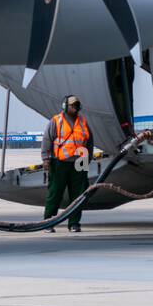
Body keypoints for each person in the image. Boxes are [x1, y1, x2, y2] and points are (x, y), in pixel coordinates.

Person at [42, 94, 92, 233]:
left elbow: (89, 141)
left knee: (78, 194)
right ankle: (48, 223)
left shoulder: (83, 121)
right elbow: (47, 139)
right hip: (60, 162)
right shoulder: (56, 121)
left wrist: (88, 158)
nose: (75, 108)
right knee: (55, 193)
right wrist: (46, 158)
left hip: (79, 162)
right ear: (65, 106)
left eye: (77, 105)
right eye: (72, 105)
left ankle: (74, 223)